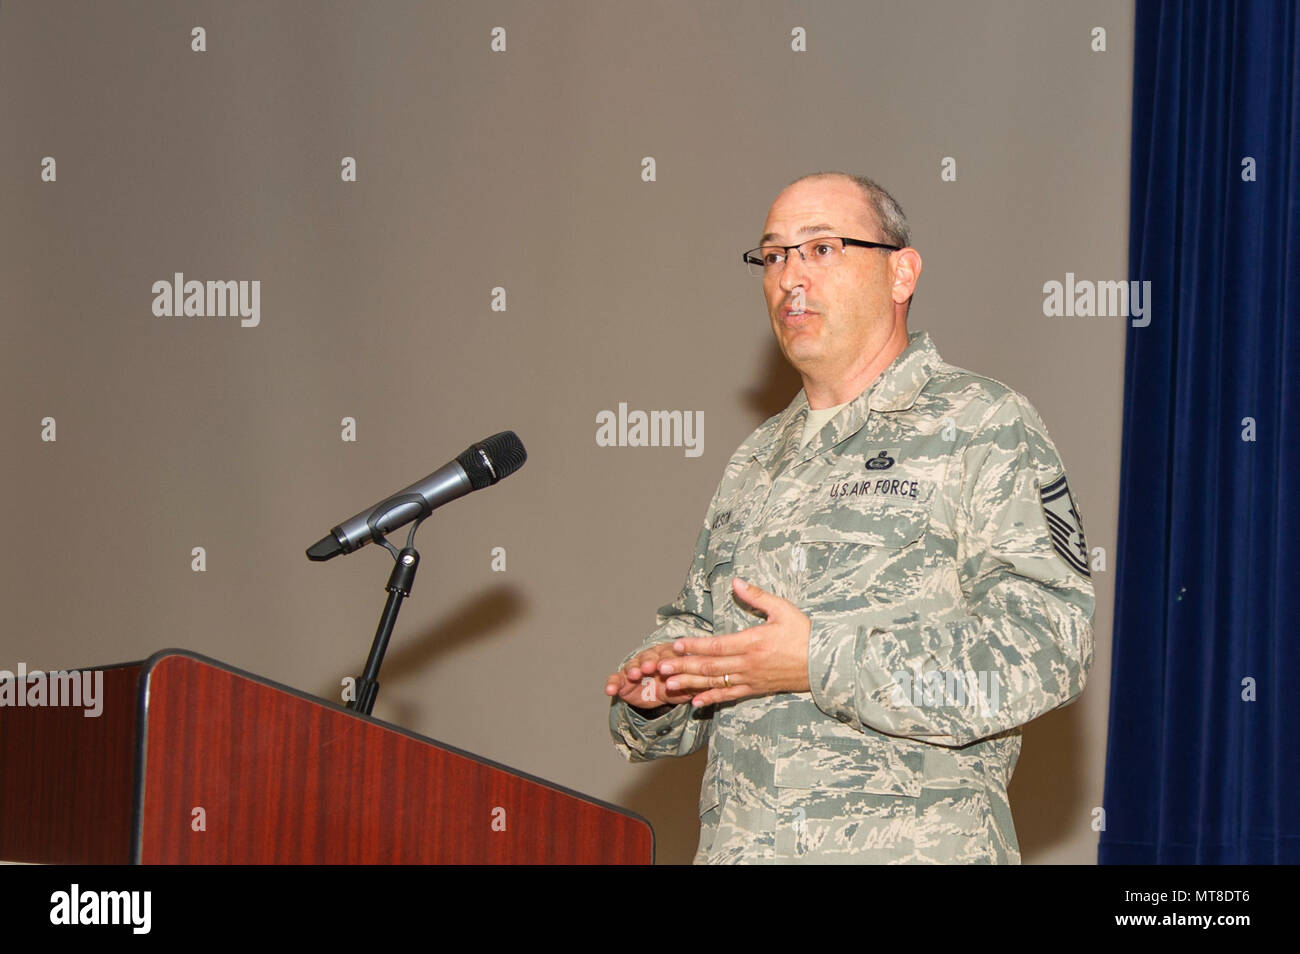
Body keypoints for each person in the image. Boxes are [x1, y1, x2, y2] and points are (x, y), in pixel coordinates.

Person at [604, 172, 1094, 864]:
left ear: (901, 273)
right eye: (773, 256)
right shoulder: (755, 461)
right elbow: (703, 633)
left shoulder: (984, 425)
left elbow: (1048, 648)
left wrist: (819, 660)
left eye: (822, 248)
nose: (790, 277)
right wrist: (664, 688)